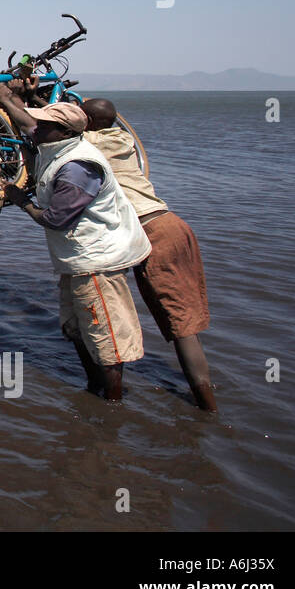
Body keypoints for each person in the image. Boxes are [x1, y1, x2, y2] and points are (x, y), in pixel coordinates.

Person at [0, 92, 152, 402]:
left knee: (106, 341)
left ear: (66, 132)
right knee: (75, 329)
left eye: (46, 125)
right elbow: (27, 124)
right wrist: (7, 98)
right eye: (40, 124)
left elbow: (55, 219)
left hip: (97, 263)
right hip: (77, 262)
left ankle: (112, 407)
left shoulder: (78, 165)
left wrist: (21, 201)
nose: (37, 128)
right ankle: (94, 390)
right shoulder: (55, 147)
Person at [82, 98, 217, 411]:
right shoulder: (122, 138)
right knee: (185, 319)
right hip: (172, 224)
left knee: (180, 325)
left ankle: (208, 407)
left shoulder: (89, 145)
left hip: (152, 233)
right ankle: (206, 403)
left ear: (87, 121)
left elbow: (46, 132)